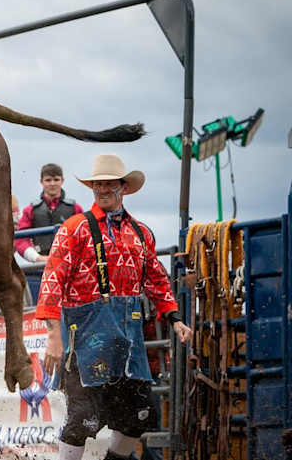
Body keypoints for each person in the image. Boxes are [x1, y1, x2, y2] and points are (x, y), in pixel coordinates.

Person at [36, 154, 193, 460]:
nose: (103, 189)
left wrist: (174, 317)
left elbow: (157, 280)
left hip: (128, 342)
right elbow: (52, 280)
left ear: (124, 187)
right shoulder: (74, 228)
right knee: (84, 418)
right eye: (98, 184)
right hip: (84, 339)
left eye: (109, 183)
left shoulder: (140, 233)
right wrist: (54, 336)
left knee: (140, 415)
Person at [15, 163, 83, 263]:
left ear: (62, 181)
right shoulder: (29, 210)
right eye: (48, 180)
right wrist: (37, 258)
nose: (52, 183)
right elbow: (21, 240)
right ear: (41, 182)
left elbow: (83, 238)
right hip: (38, 268)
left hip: (69, 265)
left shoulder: (75, 209)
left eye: (56, 179)